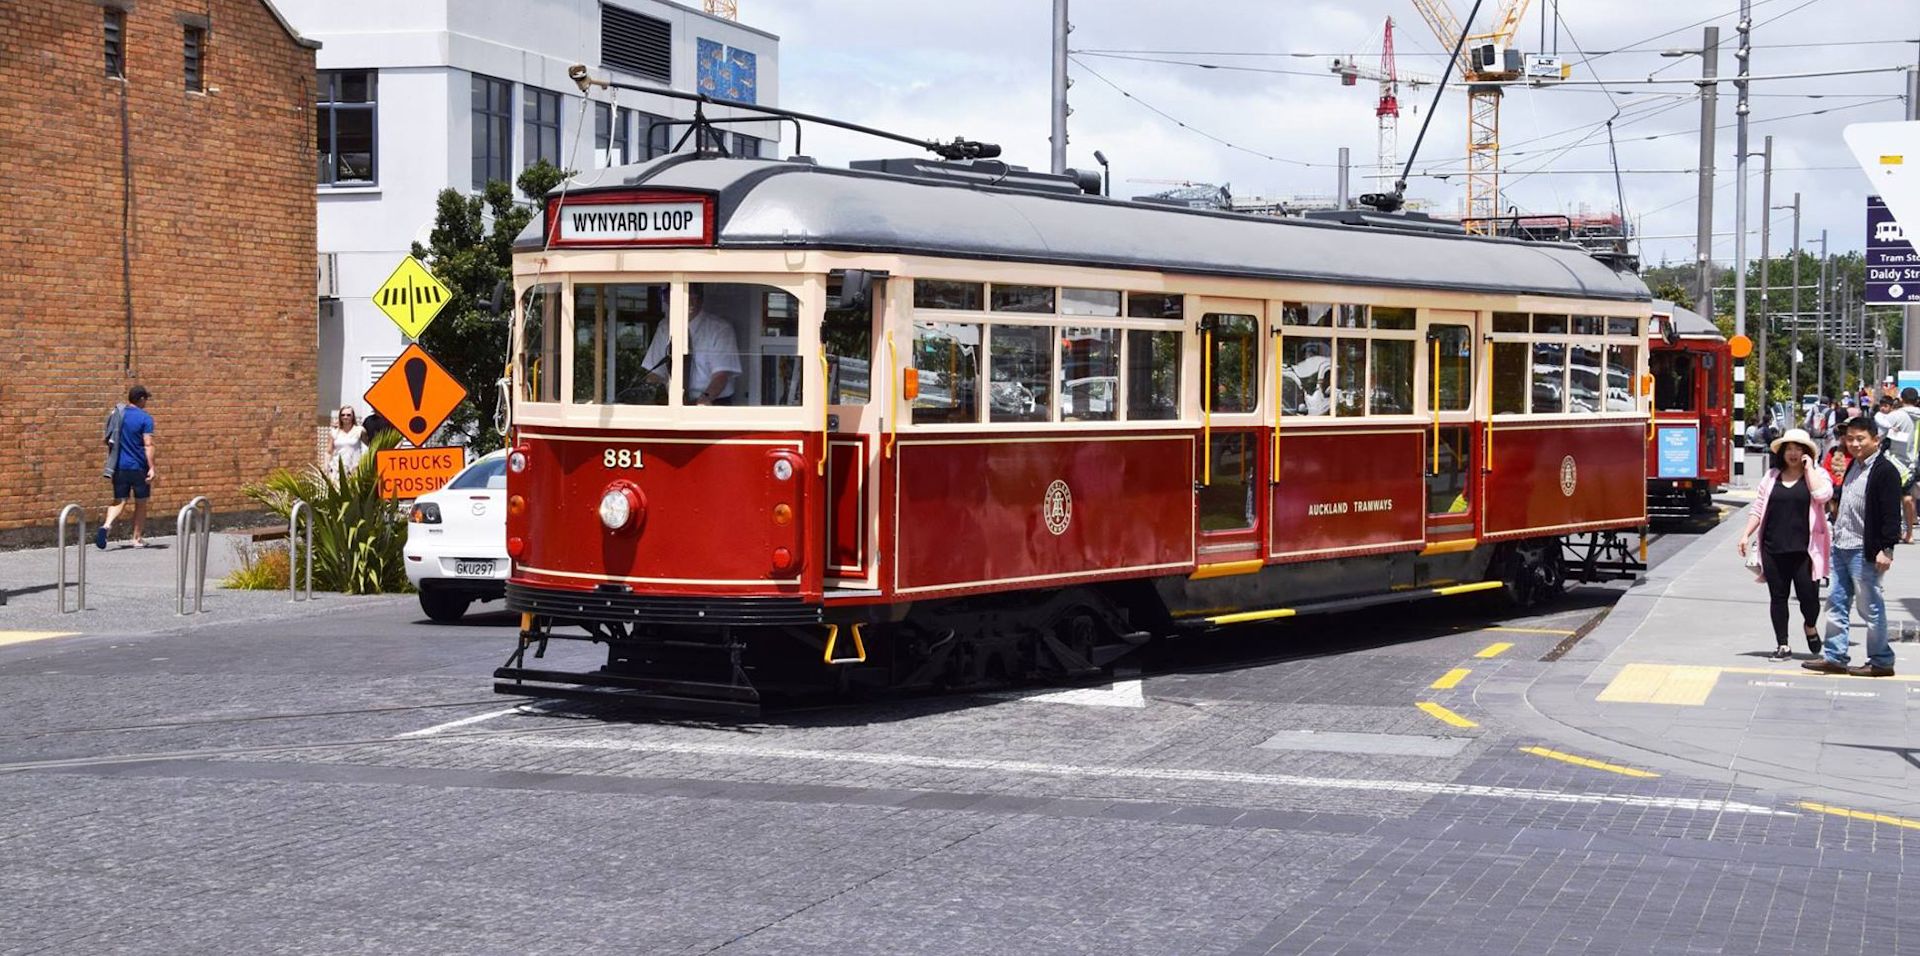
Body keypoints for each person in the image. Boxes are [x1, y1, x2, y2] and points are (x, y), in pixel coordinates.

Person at [1805, 415, 1902, 677]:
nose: (1855, 444)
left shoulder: (1885, 471)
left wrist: (1887, 549)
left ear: (1876, 440)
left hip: (1864, 550)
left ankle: (1881, 661)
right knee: (1836, 603)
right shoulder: (1854, 466)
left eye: (1861, 439)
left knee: (1870, 607)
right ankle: (1835, 656)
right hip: (1841, 546)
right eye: (1850, 439)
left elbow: (1892, 515)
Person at [1739, 428, 1832, 660]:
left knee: (1809, 599)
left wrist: (1809, 469)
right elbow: (1758, 507)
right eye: (1789, 448)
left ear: (1807, 452)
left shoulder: (1817, 474)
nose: (1793, 453)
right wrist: (1746, 534)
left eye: (1798, 449)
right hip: (1773, 547)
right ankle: (1783, 644)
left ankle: (1810, 625)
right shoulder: (1772, 476)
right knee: (1778, 597)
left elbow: (1822, 495)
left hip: (1805, 551)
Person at [641, 284, 742, 405]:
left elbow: (721, 376)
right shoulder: (665, 327)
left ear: (700, 299)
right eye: (670, 297)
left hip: (712, 401)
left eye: (692, 297)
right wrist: (650, 396)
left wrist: (704, 400)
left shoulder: (720, 328)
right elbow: (654, 373)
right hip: (673, 403)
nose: (688, 302)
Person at [97, 384, 155, 549]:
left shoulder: (118, 415)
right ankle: (136, 538)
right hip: (138, 467)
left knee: (119, 500)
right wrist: (151, 467)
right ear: (141, 399)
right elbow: (148, 444)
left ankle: (107, 525)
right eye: (146, 399)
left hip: (119, 466)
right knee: (141, 502)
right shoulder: (145, 418)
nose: (146, 402)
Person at [329, 405, 368, 472]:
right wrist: (326, 467)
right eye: (343, 415)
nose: (345, 417)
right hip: (337, 469)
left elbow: (369, 446)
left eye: (348, 415)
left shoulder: (359, 430)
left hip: (354, 470)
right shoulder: (334, 432)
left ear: (353, 416)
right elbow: (329, 451)